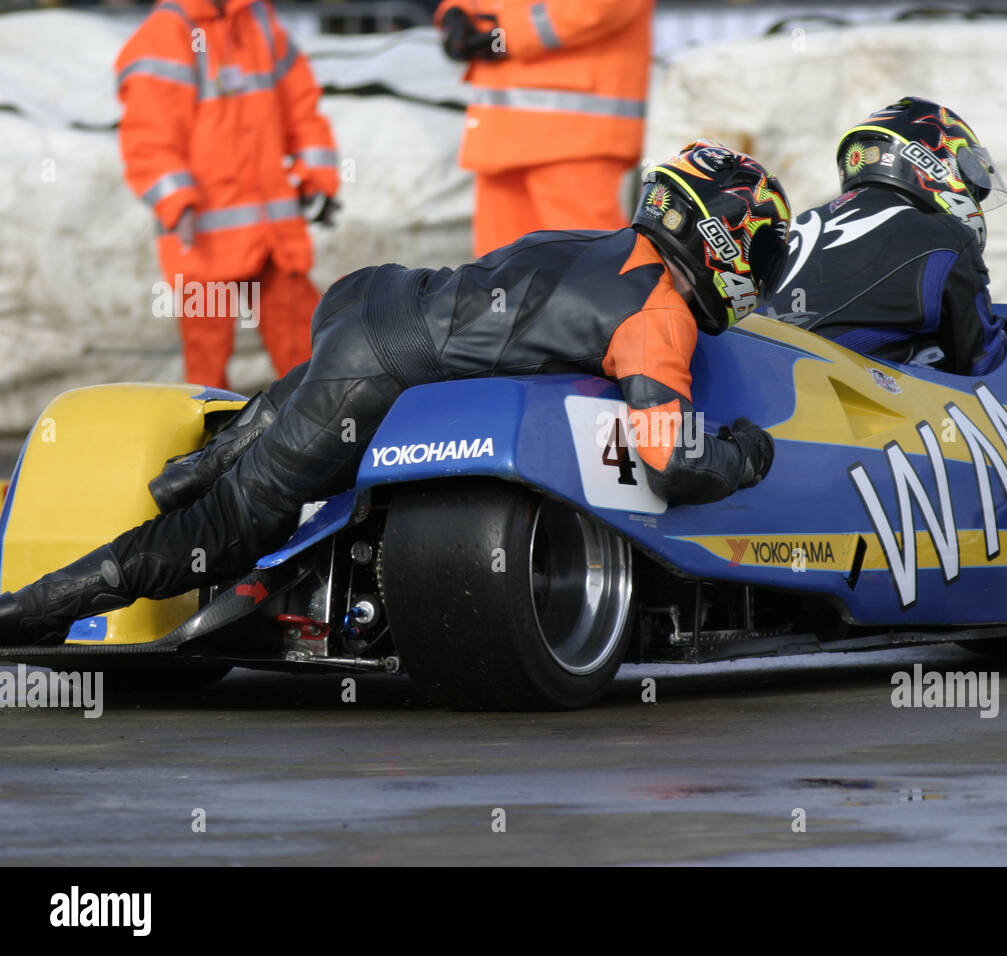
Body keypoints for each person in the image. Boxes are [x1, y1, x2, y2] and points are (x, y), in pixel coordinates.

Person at [0, 143, 788, 648]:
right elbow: (668, 460)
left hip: (367, 300)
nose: (761, 267)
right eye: (761, 248)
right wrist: (745, 456)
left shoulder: (592, 237)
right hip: (377, 367)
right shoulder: (659, 317)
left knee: (284, 437)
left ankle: (206, 460)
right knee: (231, 526)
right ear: (725, 239)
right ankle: (25, 615)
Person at [115, 0, 340, 388]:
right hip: (204, 240)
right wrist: (176, 203)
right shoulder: (165, 34)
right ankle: (208, 447)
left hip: (272, 238)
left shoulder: (259, 21)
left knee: (310, 358)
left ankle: (325, 442)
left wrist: (316, 178)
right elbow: (147, 138)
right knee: (207, 375)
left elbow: (301, 108)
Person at [765, 96, 1007, 376]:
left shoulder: (797, 224)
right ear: (930, 159)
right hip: (825, 393)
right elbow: (984, 363)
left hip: (748, 378)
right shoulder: (947, 237)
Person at [434, 0, 654, 256]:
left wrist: (507, 36)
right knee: (500, 274)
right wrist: (453, 12)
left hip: (574, 135)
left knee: (591, 275)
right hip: (500, 135)